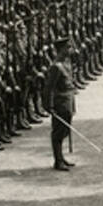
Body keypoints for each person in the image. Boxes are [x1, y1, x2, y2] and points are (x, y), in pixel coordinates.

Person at [43, 37, 76, 171]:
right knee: (58, 132)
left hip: (68, 100)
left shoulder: (67, 62)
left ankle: (61, 158)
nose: (70, 49)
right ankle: (58, 161)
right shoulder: (56, 67)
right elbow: (49, 88)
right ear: (61, 50)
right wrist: (49, 105)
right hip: (60, 102)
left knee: (65, 130)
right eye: (68, 47)